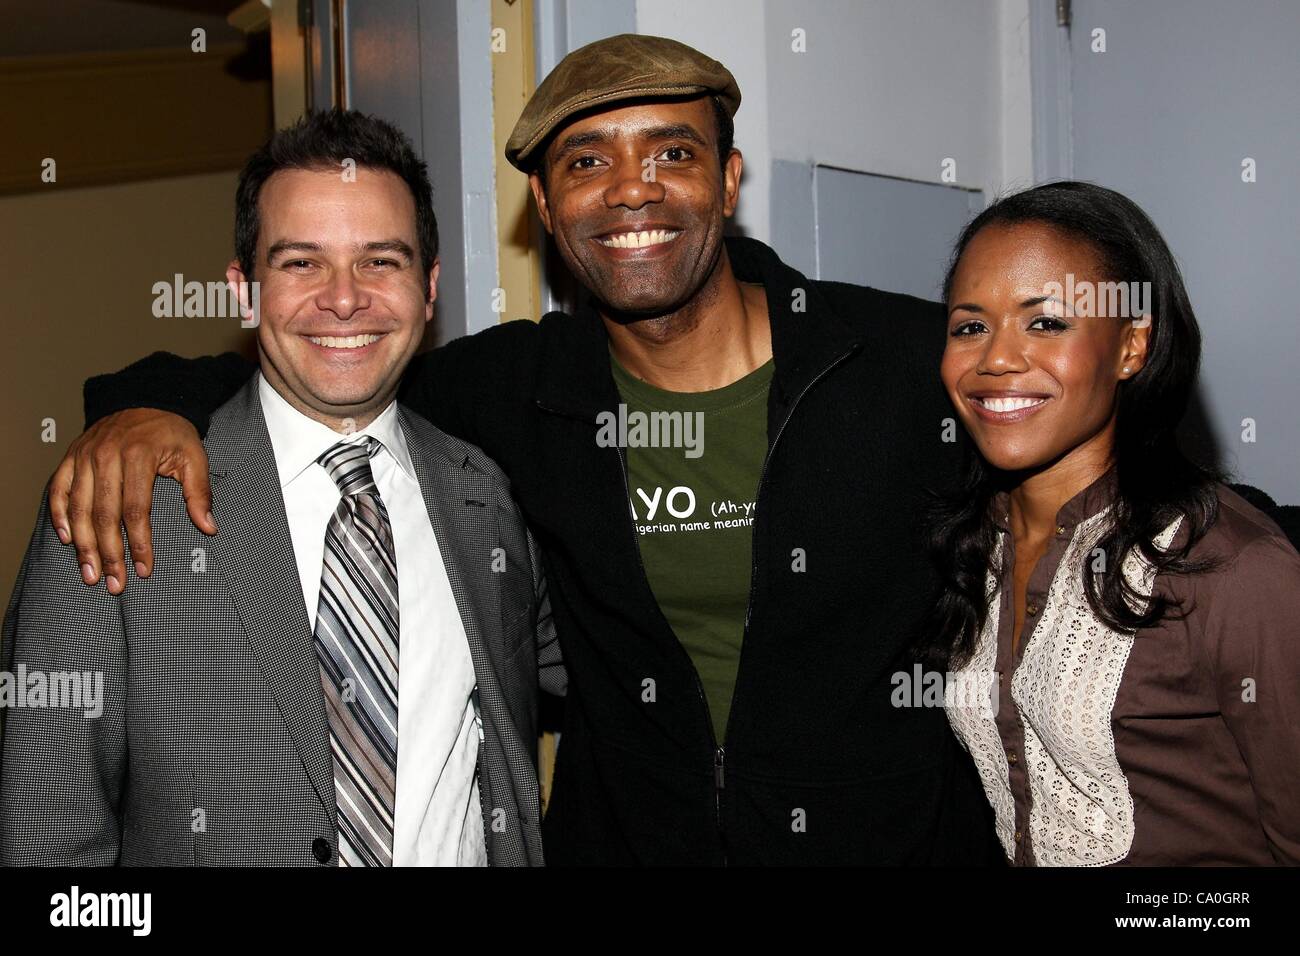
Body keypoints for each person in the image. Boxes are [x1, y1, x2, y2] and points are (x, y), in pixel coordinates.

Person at [40, 35, 995, 864]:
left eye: (673, 151)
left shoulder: (903, 361)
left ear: (729, 179)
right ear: (543, 201)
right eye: (587, 161)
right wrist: (144, 408)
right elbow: (325, 357)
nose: (633, 188)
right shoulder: (516, 390)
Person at [1, 111, 562, 866]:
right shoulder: (120, 500)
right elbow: (45, 841)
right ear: (245, 292)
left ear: (428, 288)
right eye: (301, 263)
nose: (344, 299)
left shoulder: (486, 499)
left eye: (381, 261)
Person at [924, 181, 1300, 865]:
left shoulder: (1234, 568)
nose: (996, 358)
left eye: (1046, 323)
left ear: (1132, 346)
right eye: (970, 326)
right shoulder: (972, 545)